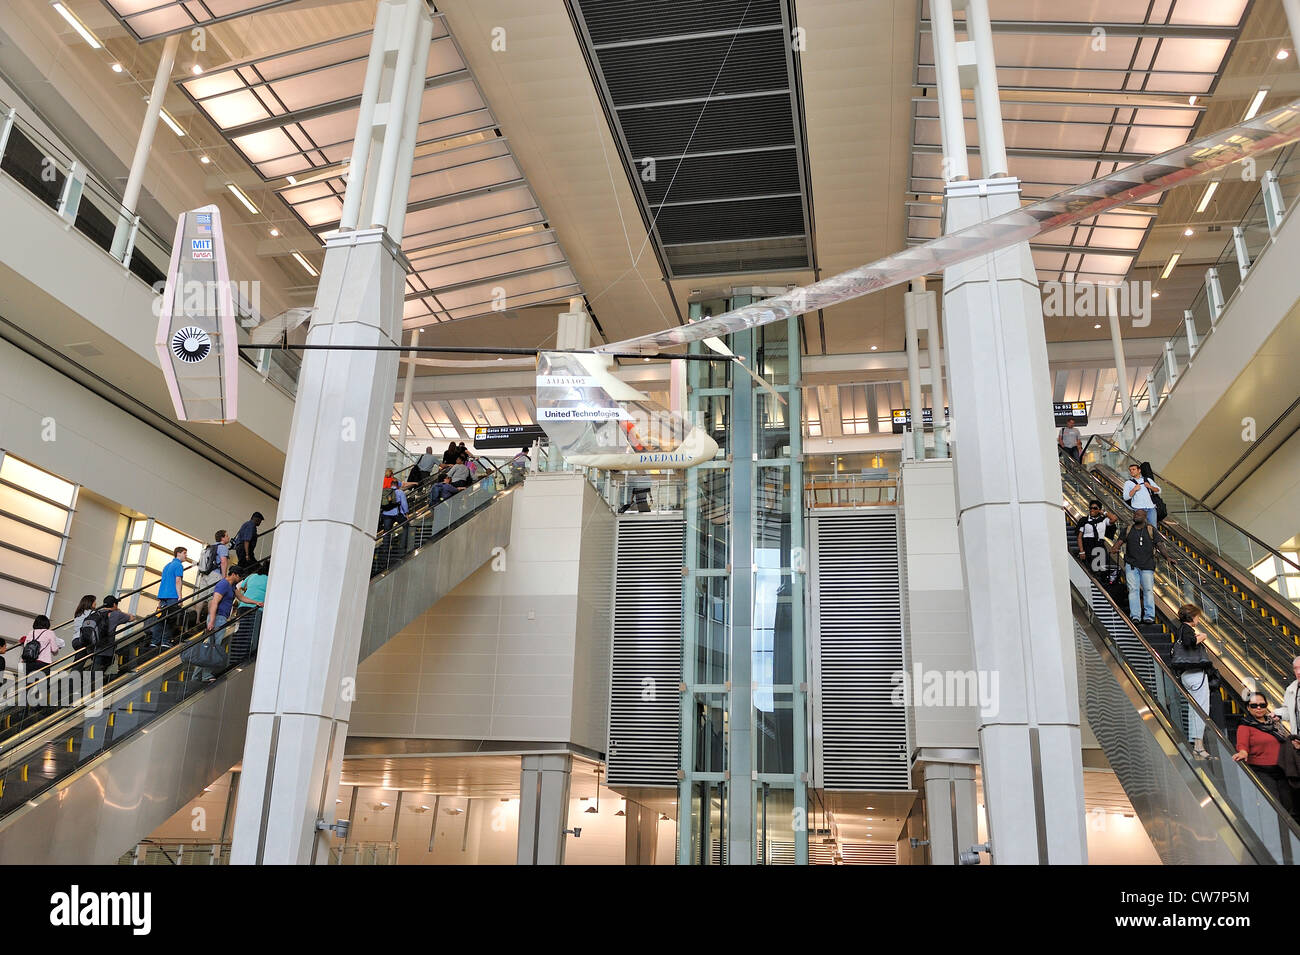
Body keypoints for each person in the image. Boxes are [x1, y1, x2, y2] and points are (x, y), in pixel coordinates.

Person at [1234, 691, 1295, 816]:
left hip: (1282, 769)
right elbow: (1242, 744)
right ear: (1248, 707)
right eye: (1254, 705)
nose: (1258, 708)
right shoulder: (1245, 725)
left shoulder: (1274, 723)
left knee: (1289, 805)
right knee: (1273, 806)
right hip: (1262, 771)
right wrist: (1243, 752)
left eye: (1262, 705)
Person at [1173, 604, 1214, 758]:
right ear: (1191, 617)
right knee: (1201, 710)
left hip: (1187, 675)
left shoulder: (1180, 630)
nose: (1198, 619)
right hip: (1196, 674)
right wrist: (1202, 636)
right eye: (1197, 616)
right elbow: (1189, 642)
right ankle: (1199, 745)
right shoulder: (1187, 629)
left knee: (1193, 710)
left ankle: (1197, 745)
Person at [1111, 508, 1164, 625]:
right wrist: (1115, 548)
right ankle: (1135, 616)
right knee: (1133, 590)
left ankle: (1149, 616)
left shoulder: (1151, 530)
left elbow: (1159, 544)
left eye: (1139, 514)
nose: (1136, 516)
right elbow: (1120, 541)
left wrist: (1168, 557)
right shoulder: (1128, 530)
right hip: (1132, 565)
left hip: (1147, 565)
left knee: (1148, 590)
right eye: (1135, 514)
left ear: (1144, 517)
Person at [151, 545, 187, 649]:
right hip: (172, 596)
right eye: (184, 553)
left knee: (160, 619)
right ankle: (165, 641)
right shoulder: (179, 565)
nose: (186, 555)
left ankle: (154, 641)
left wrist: (159, 598)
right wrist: (180, 597)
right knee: (170, 619)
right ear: (178, 553)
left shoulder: (166, 566)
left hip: (163, 596)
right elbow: (178, 580)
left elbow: (163, 582)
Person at [89, 595, 135, 673]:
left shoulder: (97, 613)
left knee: (96, 669)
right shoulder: (116, 614)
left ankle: (92, 683)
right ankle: (97, 682)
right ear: (114, 604)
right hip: (107, 647)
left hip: (95, 646)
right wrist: (119, 611)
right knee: (104, 668)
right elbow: (132, 618)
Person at [1076, 500, 1118, 580]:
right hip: (1088, 545)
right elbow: (1079, 537)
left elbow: (1113, 519)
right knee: (1091, 567)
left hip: (1099, 545)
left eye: (1095, 508)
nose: (1092, 510)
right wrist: (1081, 551)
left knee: (1102, 567)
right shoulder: (1084, 520)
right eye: (1090, 508)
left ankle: (1102, 582)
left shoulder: (1103, 520)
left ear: (1099, 509)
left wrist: (1103, 512)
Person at [18, 614, 63, 686]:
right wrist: (57, 649)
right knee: (43, 687)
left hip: (29, 663)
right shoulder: (50, 633)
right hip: (43, 664)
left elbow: (26, 647)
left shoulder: (31, 632)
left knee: (28, 686)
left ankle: (27, 696)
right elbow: (54, 650)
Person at [1122, 463, 1160, 527]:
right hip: (1138, 508)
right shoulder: (1128, 483)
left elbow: (1158, 490)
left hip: (1151, 508)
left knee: (1153, 527)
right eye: (1130, 470)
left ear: (1139, 470)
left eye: (1133, 469)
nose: (1131, 471)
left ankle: (1152, 537)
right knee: (1140, 527)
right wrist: (1134, 489)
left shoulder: (1147, 480)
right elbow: (1125, 497)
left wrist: (1150, 487)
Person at [1274, 656, 1300, 733]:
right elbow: (1290, 712)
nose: (1298, 672)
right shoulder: (1291, 689)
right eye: (1296, 668)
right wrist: (1277, 714)